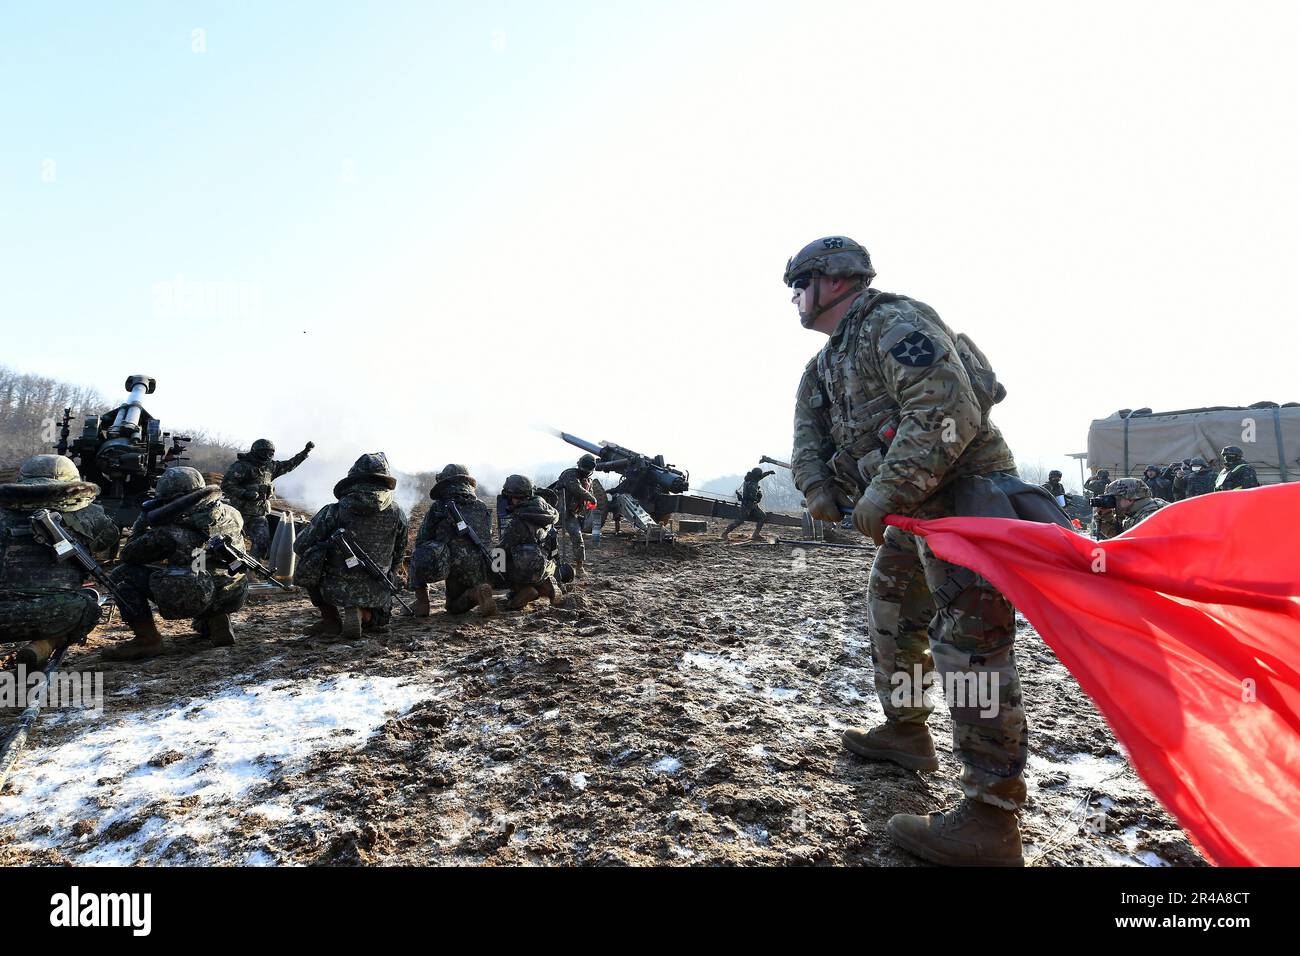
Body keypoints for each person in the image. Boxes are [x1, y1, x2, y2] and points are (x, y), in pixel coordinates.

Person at [787, 234, 1064, 866]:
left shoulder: (893, 323)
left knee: (969, 648)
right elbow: (806, 440)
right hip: (913, 521)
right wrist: (819, 491)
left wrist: (882, 494)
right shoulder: (823, 367)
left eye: (799, 284)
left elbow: (947, 410)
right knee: (894, 615)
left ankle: (992, 817)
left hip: (965, 507)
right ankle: (908, 731)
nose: (795, 300)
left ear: (832, 280)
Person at [105, 466, 249, 660]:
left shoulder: (169, 531)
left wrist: (142, 520)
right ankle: (217, 619)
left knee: (121, 575)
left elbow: (129, 556)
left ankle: (147, 639)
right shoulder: (232, 513)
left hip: (195, 596)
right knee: (204, 565)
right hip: (232, 593)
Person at [0, 455, 118, 667]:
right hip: (55, 614)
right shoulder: (90, 515)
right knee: (89, 607)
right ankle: (44, 644)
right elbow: (109, 539)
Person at [294, 453, 408, 639]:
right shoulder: (398, 513)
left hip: (334, 589)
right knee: (379, 622)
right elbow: (399, 553)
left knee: (310, 557)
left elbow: (300, 545)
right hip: (377, 589)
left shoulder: (334, 510)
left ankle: (330, 619)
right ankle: (364, 614)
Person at [411, 464, 496, 616]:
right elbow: (487, 536)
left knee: (418, 553)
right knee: (456, 604)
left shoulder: (439, 507)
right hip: (480, 566)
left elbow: (422, 539)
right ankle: (477, 592)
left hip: (451, 565)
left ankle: (422, 603)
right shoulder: (482, 507)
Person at [221, 438, 314, 558]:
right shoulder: (241, 466)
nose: (267, 455)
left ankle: (252, 571)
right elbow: (226, 485)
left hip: (258, 514)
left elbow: (290, 464)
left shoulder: (270, 467)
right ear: (256, 451)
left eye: (270, 453)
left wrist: (305, 452)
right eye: (264, 452)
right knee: (232, 543)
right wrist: (244, 493)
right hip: (238, 512)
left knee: (262, 542)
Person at [497, 474, 563, 611]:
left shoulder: (517, 521)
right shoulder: (547, 514)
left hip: (524, 571)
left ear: (513, 497)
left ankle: (521, 592)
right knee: (541, 563)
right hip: (545, 566)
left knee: (497, 561)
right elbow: (553, 547)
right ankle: (548, 587)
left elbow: (502, 549)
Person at [552, 454, 598, 576]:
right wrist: (591, 498)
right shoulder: (569, 474)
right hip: (556, 512)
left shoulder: (588, 481)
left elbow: (589, 499)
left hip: (571, 514)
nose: (585, 471)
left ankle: (579, 567)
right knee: (548, 539)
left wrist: (589, 507)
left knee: (578, 539)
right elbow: (575, 488)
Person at [1094, 477, 1168, 539]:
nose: (1112, 503)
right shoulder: (1133, 511)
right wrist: (1105, 517)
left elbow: (1139, 548)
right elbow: (1119, 535)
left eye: (1115, 499)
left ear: (1129, 498)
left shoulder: (1151, 515)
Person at [721, 467, 776, 541]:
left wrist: (768, 472)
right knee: (740, 520)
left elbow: (761, 476)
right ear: (756, 475)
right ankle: (725, 533)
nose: (760, 477)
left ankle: (756, 534)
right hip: (747, 505)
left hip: (752, 505)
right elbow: (752, 497)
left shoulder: (752, 479)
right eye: (759, 475)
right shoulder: (752, 483)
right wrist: (758, 496)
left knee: (762, 516)